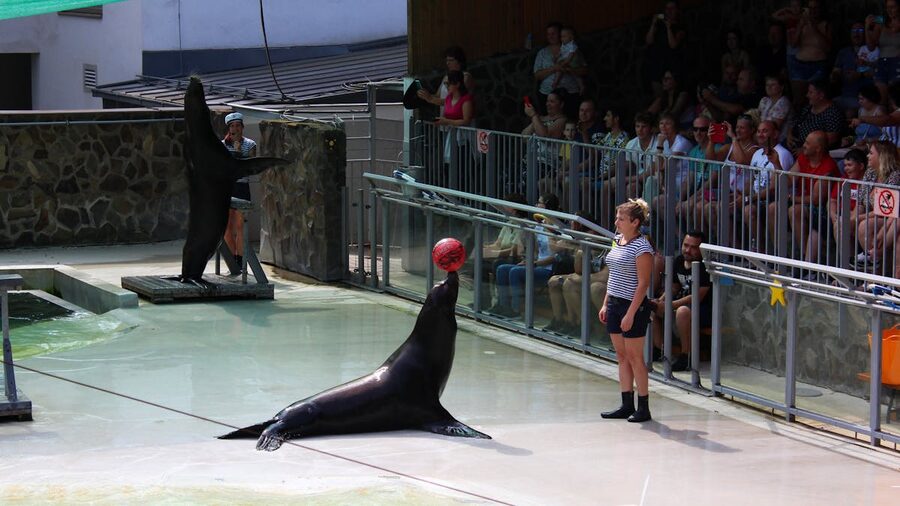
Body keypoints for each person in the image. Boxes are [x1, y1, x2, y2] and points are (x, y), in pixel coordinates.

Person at [599, 198, 654, 422]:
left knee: (634, 356)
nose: (617, 222)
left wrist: (631, 313)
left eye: (621, 219)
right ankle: (626, 402)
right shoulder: (617, 240)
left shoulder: (642, 247)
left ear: (635, 222)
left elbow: (643, 283)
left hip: (633, 305)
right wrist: (605, 302)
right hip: (615, 301)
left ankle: (643, 405)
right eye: (617, 218)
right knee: (621, 355)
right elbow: (612, 273)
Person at [767, 130, 840, 260]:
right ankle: (779, 255)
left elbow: (816, 200)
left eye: (807, 143)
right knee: (773, 207)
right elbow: (788, 181)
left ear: (817, 149)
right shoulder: (803, 158)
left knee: (795, 210)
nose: (803, 145)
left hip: (824, 210)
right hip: (802, 202)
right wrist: (776, 163)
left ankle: (803, 259)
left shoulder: (828, 166)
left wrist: (790, 198)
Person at [648, 231, 711, 372]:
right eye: (685, 245)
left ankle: (686, 355)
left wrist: (670, 305)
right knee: (653, 306)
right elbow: (674, 286)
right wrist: (661, 300)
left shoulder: (704, 267)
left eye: (693, 247)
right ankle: (659, 349)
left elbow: (697, 297)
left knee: (682, 311)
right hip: (681, 304)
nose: (688, 250)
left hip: (703, 309)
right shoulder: (678, 261)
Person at [490, 194, 561, 318]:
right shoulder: (539, 226)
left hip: (548, 268)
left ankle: (516, 310)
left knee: (515, 272)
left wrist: (534, 263)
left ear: (547, 206)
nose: (536, 205)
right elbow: (535, 252)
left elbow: (557, 256)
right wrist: (527, 260)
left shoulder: (557, 228)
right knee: (502, 269)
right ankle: (503, 305)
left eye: (539, 203)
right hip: (535, 263)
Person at [743, 120, 794, 252]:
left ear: (776, 134)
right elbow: (751, 180)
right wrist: (743, 196)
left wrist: (748, 199)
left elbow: (774, 188)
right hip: (758, 198)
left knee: (750, 209)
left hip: (776, 199)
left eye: (765, 131)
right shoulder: (756, 153)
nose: (760, 134)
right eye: (759, 131)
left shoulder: (781, 154)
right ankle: (757, 251)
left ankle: (774, 253)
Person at [855, 140, 900, 270]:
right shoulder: (870, 173)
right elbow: (860, 201)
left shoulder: (895, 176)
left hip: (887, 217)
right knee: (842, 225)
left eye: (871, 153)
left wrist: (859, 218)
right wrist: (853, 218)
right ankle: (849, 270)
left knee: (865, 225)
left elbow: (888, 211)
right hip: (889, 219)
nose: (867, 156)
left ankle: (872, 259)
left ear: (882, 156)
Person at [221, 112, 257, 275]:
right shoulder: (222, 145)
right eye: (232, 126)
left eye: (238, 126)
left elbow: (250, 167)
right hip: (227, 186)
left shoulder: (250, 144)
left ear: (242, 127)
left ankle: (241, 260)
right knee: (227, 226)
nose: (235, 129)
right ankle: (232, 262)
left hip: (242, 187)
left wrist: (238, 152)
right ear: (229, 129)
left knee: (240, 225)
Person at [533, 22, 585, 119]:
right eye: (548, 34)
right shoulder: (542, 53)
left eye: (553, 33)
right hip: (548, 94)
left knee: (570, 121)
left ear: (560, 34)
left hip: (570, 93)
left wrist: (570, 70)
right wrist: (554, 68)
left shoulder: (572, 49)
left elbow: (584, 70)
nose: (550, 36)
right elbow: (537, 75)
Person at [788, 0, 832, 109]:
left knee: (816, 101)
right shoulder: (802, 24)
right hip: (799, 64)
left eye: (815, 8)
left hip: (818, 66)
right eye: (810, 8)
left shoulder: (825, 25)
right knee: (798, 101)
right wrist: (800, 26)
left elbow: (827, 47)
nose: (813, 11)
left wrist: (813, 27)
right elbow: (793, 44)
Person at [643, 1, 687, 95]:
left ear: (677, 11)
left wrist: (669, 28)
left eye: (672, 9)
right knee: (658, 94)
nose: (669, 11)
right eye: (667, 9)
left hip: (671, 64)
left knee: (671, 93)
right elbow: (649, 41)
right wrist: (653, 24)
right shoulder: (659, 26)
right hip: (658, 63)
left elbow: (673, 45)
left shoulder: (680, 27)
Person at [416, 46, 475, 116]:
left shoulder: (465, 77)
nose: (448, 63)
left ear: (459, 61)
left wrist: (430, 99)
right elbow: (438, 96)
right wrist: (424, 95)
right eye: (447, 60)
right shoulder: (446, 77)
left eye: (451, 60)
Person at [789, 79, 844, 152]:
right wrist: (789, 135)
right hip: (795, 145)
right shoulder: (808, 108)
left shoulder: (833, 113)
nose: (807, 95)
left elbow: (831, 139)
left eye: (811, 92)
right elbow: (794, 122)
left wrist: (805, 149)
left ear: (821, 95)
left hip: (813, 152)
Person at [865, 1, 900, 105]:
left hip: (898, 62)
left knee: (895, 100)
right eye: (887, 7)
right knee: (881, 99)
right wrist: (867, 27)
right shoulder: (882, 22)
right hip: (882, 63)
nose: (889, 10)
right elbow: (871, 47)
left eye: (893, 7)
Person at [831, 21, 869, 113]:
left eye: (860, 30)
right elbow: (835, 72)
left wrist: (860, 74)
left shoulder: (871, 51)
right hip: (845, 96)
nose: (856, 33)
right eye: (854, 30)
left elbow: (875, 71)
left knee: (850, 112)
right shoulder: (843, 52)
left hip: (865, 98)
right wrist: (835, 75)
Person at [623, 112, 659, 199]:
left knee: (631, 186)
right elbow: (626, 165)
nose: (640, 130)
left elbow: (650, 173)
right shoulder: (631, 144)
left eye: (644, 126)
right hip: (637, 179)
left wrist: (625, 179)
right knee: (607, 185)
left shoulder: (659, 144)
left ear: (651, 128)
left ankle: (636, 212)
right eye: (637, 126)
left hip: (654, 181)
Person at [758, 74, 793, 142]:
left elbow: (773, 127)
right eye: (767, 85)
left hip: (779, 140)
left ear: (782, 87)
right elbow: (758, 119)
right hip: (763, 136)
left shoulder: (784, 102)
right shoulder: (764, 100)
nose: (769, 87)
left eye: (773, 84)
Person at [552, 25, 586, 95]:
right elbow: (561, 52)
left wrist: (565, 62)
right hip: (566, 60)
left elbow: (571, 56)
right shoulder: (564, 45)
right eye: (561, 36)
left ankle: (581, 85)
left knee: (574, 73)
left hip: (574, 61)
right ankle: (556, 81)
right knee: (560, 68)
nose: (562, 38)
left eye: (564, 36)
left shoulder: (573, 45)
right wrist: (556, 56)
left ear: (571, 37)